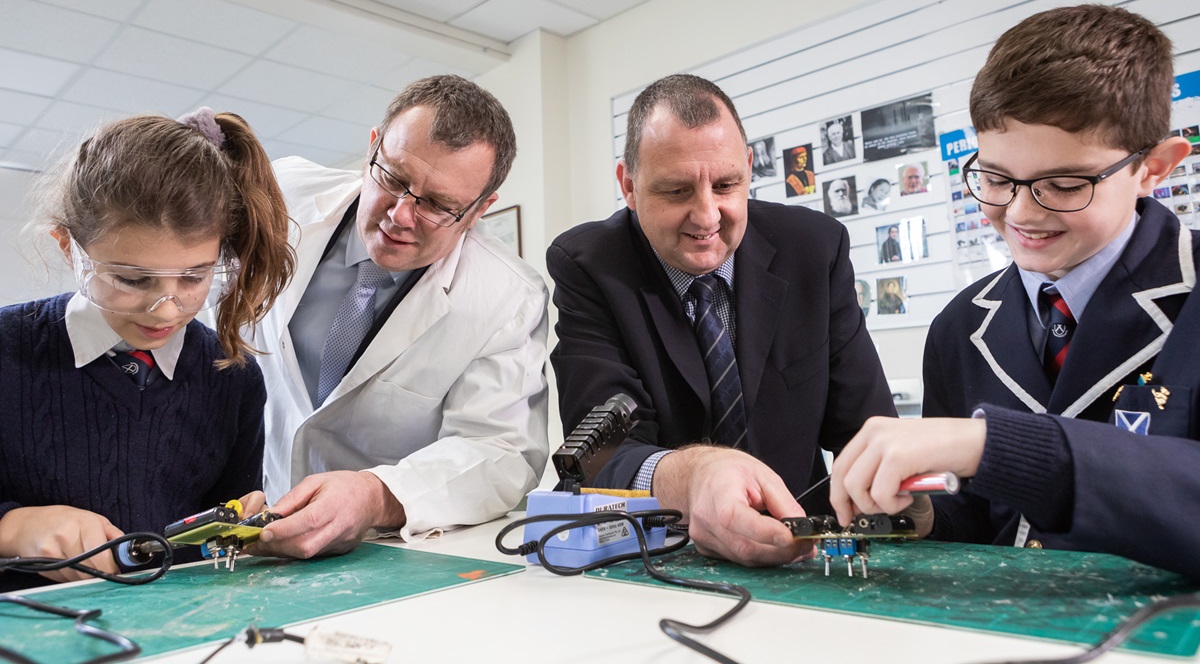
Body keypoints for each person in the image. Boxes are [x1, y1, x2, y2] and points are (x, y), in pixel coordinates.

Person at [829, 4, 1200, 579]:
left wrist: (1001, 448)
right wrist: (924, 514)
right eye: (997, 179)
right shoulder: (958, 327)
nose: (1021, 213)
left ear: (1154, 167)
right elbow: (977, 520)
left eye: (1065, 184)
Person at [548, 74, 895, 567]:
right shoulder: (590, 266)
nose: (707, 215)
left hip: (807, 549)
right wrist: (694, 479)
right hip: (665, 554)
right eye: (676, 191)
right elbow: (600, 458)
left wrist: (894, 496)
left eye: (728, 185)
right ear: (628, 185)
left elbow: (867, 428)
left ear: (750, 168)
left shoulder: (814, 249)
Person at [248, 75, 549, 560]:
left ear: (478, 210)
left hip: (378, 548)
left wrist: (377, 494)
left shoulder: (507, 297)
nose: (401, 215)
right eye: (392, 178)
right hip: (248, 512)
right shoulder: (284, 196)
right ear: (373, 146)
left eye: (439, 205)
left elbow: (502, 452)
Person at [0, 109, 295, 591]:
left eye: (194, 277)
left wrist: (245, 533)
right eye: (132, 280)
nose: (165, 310)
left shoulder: (231, 377)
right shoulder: (6, 349)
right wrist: (10, 528)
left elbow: (222, 551)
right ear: (67, 247)